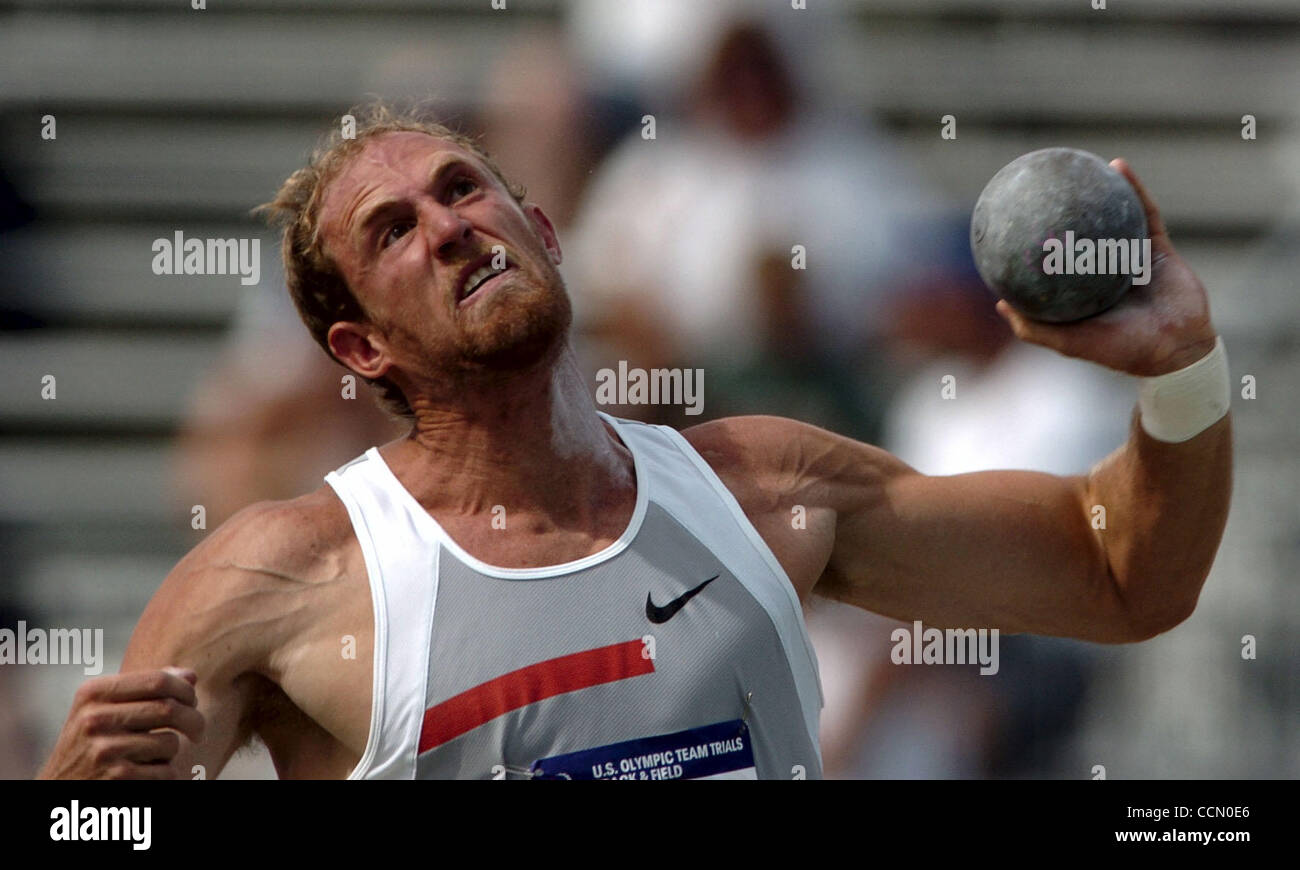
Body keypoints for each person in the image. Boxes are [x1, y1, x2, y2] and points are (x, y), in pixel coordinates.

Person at [37, 107, 1232, 780]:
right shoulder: (283, 578)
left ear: (545, 230)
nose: (450, 227)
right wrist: (72, 796)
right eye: (395, 229)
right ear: (359, 351)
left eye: (464, 189)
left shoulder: (766, 490)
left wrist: (1180, 373)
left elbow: (1120, 576)